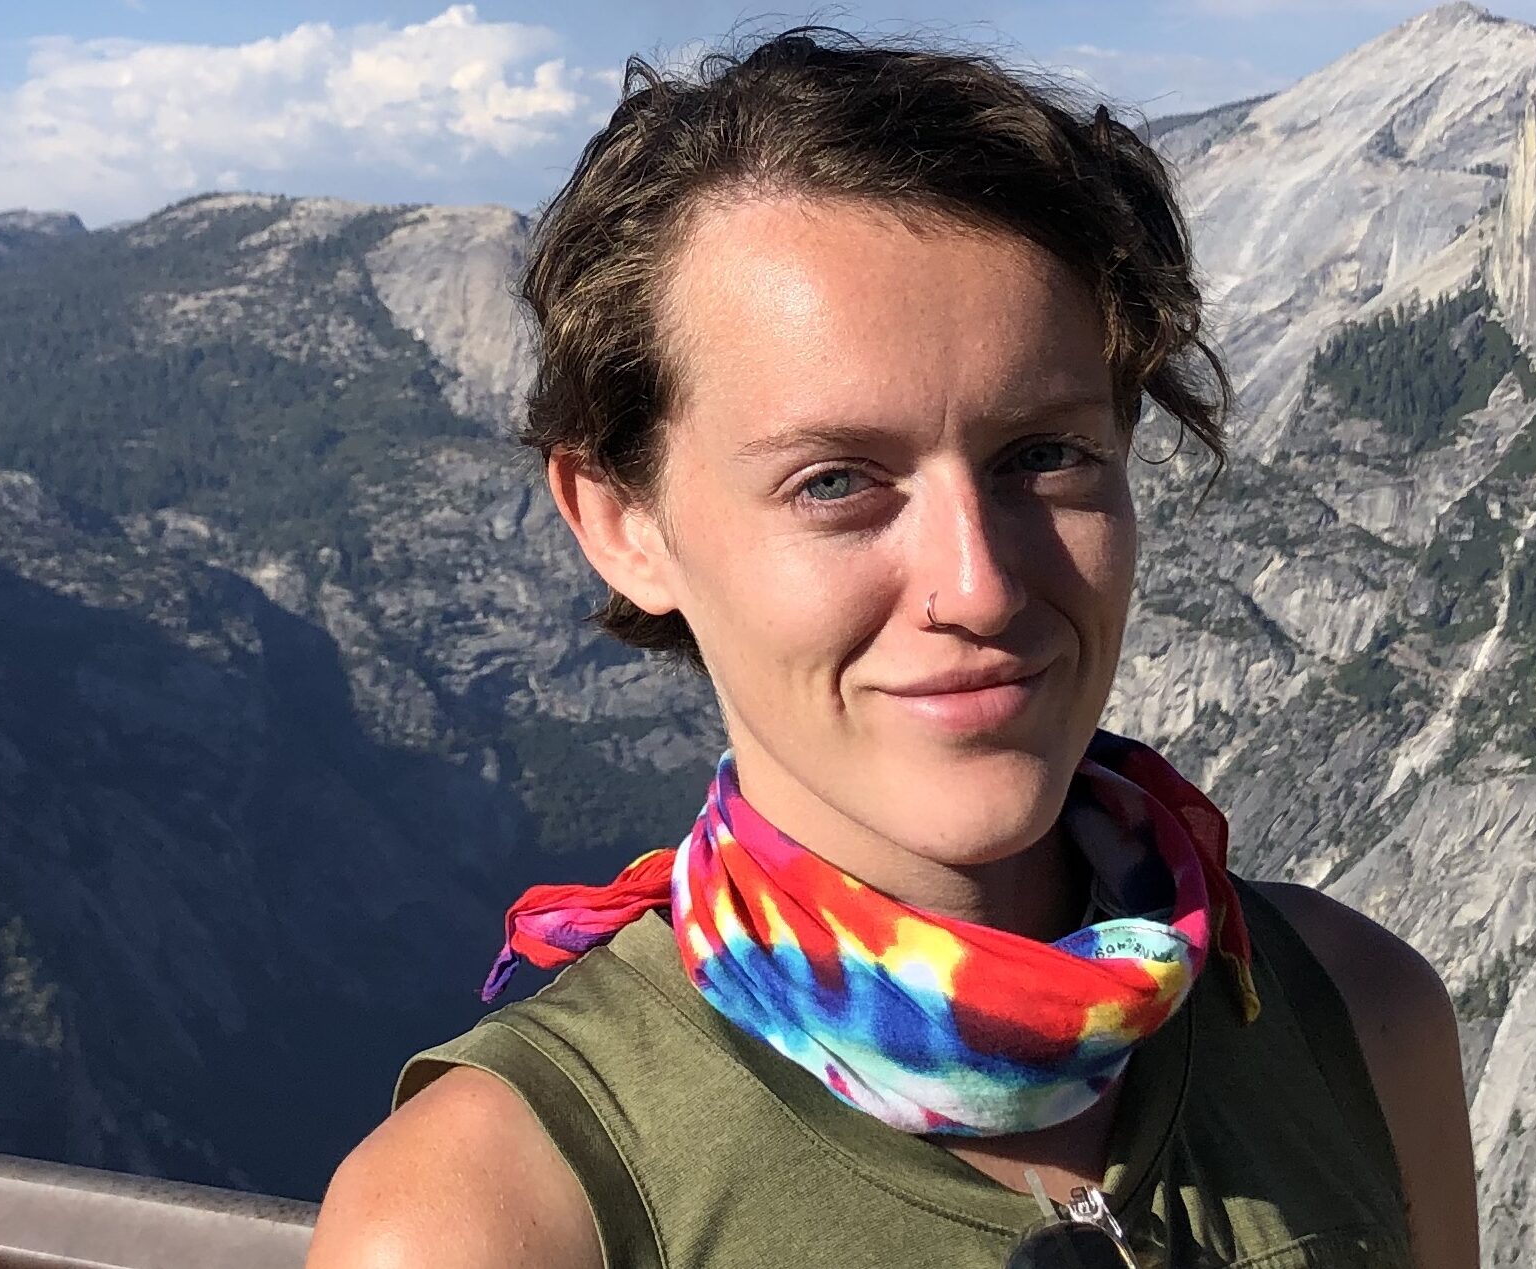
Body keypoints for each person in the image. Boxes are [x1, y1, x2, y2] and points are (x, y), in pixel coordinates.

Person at [304, 27, 1475, 1269]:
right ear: (623, 524)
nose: (978, 586)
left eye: (1045, 455)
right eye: (835, 482)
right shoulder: (487, 1214)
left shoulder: (1355, 1016)